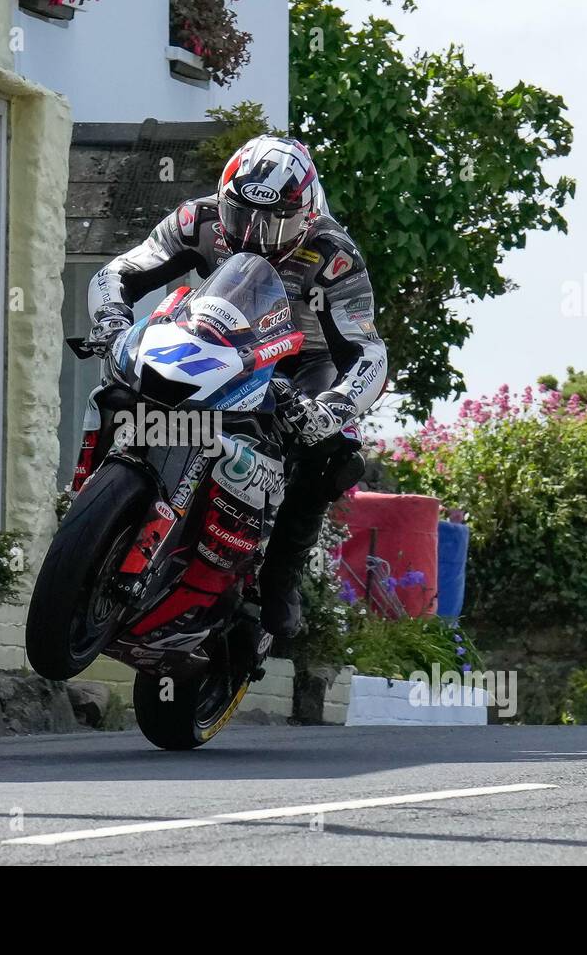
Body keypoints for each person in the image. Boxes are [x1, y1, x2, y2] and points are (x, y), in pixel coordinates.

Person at [86, 135, 387, 657]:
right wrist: (112, 317)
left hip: (302, 364)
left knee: (332, 459)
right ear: (223, 198)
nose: (252, 234)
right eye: (241, 215)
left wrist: (329, 410)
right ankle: (97, 497)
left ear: (307, 211)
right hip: (212, 337)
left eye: (271, 223)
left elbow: (367, 352)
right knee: (123, 383)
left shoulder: (335, 255)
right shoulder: (198, 220)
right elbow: (123, 269)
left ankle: (280, 578)